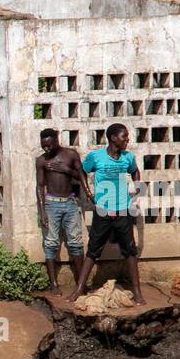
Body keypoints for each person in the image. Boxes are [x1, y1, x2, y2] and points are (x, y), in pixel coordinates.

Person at [68, 123, 146, 306]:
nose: (127, 140)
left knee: (129, 251)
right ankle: (79, 289)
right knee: (93, 250)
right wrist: (88, 192)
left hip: (123, 210)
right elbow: (81, 171)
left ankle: (137, 292)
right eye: (124, 137)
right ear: (112, 138)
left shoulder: (128, 157)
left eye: (127, 137)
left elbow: (135, 171)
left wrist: (136, 188)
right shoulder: (96, 156)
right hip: (102, 210)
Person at [35, 128, 87, 295]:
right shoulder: (41, 161)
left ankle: (81, 284)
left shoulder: (70, 155)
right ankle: (54, 285)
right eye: (44, 146)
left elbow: (82, 175)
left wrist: (66, 170)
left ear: (57, 140)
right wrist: (42, 211)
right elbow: (40, 186)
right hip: (51, 204)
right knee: (50, 244)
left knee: (76, 243)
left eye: (49, 145)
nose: (47, 149)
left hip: (70, 203)